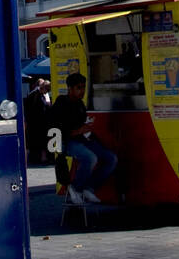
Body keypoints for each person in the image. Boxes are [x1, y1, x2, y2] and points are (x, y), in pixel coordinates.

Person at [50, 73, 118, 204]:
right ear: (70, 88)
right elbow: (55, 129)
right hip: (67, 142)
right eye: (78, 88)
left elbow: (82, 126)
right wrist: (78, 131)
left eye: (83, 88)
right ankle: (76, 189)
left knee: (111, 159)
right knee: (90, 158)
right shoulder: (61, 103)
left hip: (83, 140)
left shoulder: (80, 104)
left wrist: (88, 130)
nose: (82, 91)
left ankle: (89, 188)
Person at [23, 77, 53, 165]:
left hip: (39, 122)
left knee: (39, 140)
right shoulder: (35, 95)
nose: (47, 92)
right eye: (47, 90)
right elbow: (30, 109)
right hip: (35, 122)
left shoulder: (39, 95)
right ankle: (32, 158)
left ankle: (42, 157)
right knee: (34, 141)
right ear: (43, 88)